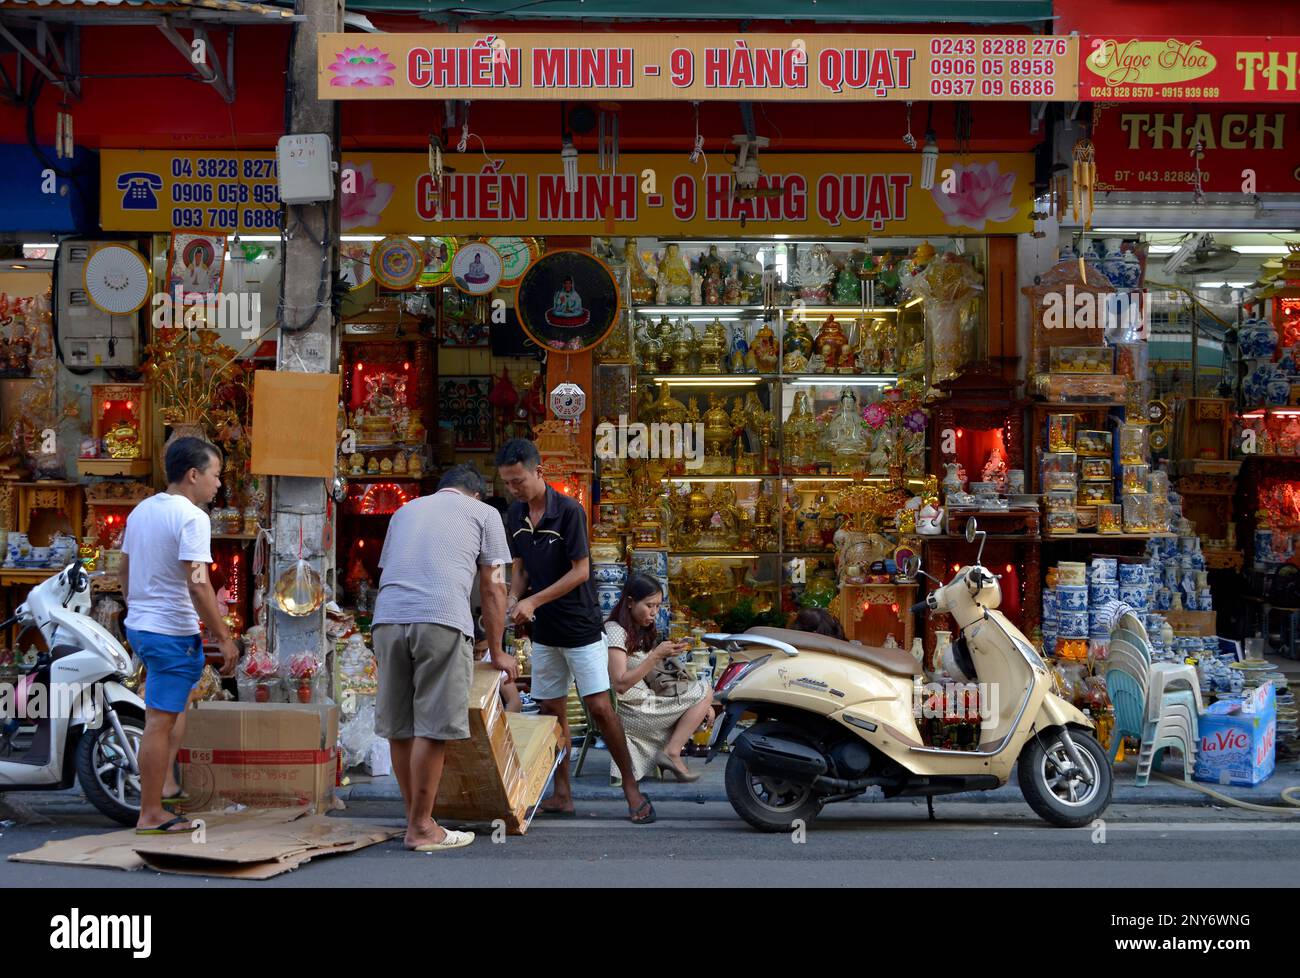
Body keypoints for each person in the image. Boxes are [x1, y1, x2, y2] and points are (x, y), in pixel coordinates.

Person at [497, 438, 655, 824]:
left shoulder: (568, 510)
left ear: (538, 472)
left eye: (519, 481)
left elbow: (581, 571)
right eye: (507, 483)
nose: (514, 489)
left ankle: (632, 791)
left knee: (600, 708)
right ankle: (562, 793)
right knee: (552, 712)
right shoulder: (514, 515)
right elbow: (521, 569)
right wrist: (514, 598)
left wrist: (534, 602)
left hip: (581, 626)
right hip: (545, 631)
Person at [372, 463, 516, 853]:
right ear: (476, 493)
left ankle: (417, 821)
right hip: (441, 618)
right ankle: (420, 827)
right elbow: (494, 586)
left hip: (387, 619)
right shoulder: (485, 514)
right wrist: (498, 650)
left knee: (400, 725)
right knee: (433, 726)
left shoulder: (404, 511)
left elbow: (392, 569)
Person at [119, 437, 237, 835]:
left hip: (143, 624)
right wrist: (223, 636)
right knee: (159, 720)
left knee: (174, 708)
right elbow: (199, 584)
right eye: (215, 475)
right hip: (169, 631)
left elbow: (124, 569)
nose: (218, 484)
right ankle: (150, 812)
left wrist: (139, 607)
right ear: (193, 475)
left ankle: (165, 786)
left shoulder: (141, 511)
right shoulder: (193, 517)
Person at [604, 575, 713, 783]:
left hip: (644, 702)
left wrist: (666, 653)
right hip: (630, 711)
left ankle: (670, 752)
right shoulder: (615, 631)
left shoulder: (635, 630)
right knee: (704, 689)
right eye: (649, 605)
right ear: (630, 602)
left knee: (702, 697)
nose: (654, 612)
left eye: (658, 606)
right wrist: (655, 656)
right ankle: (672, 752)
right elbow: (620, 684)